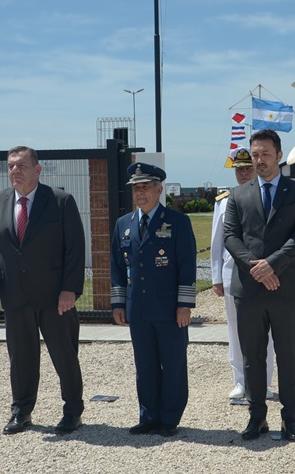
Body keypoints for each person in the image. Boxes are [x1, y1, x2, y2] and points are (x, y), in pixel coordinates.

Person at [0, 146, 86, 435]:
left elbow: (75, 249)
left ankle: (73, 411)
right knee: (21, 358)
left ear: (37, 170)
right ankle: (21, 411)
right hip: (15, 297)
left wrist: (69, 289)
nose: (15, 170)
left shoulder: (60, 201)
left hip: (55, 298)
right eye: (11, 166)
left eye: (21, 165)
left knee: (64, 356)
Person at [224, 129, 295, 442]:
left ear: (279, 155)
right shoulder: (237, 195)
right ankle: (256, 417)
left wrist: (272, 264)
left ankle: (290, 419)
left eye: (265, 154)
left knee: (288, 355)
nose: (259, 160)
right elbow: (231, 236)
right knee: (252, 357)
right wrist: (257, 269)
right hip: (249, 288)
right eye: (255, 154)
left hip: (285, 288)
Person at [110, 162, 196, 437]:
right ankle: (148, 416)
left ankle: (169, 418)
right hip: (138, 309)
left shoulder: (177, 222)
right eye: (136, 188)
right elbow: (117, 267)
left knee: (172, 366)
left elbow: (187, 266)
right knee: (145, 367)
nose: (140, 193)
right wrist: (119, 303)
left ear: (159, 190)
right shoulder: (123, 224)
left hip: (170, 310)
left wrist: (184, 305)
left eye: (145, 187)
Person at [210, 148, 275, 400]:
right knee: (236, 331)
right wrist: (216, 278)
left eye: (248, 168)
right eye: (239, 169)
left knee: (265, 332)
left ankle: (263, 383)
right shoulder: (224, 201)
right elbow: (217, 242)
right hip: (232, 273)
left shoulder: (267, 195)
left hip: (263, 273)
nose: (243, 173)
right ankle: (240, 381)